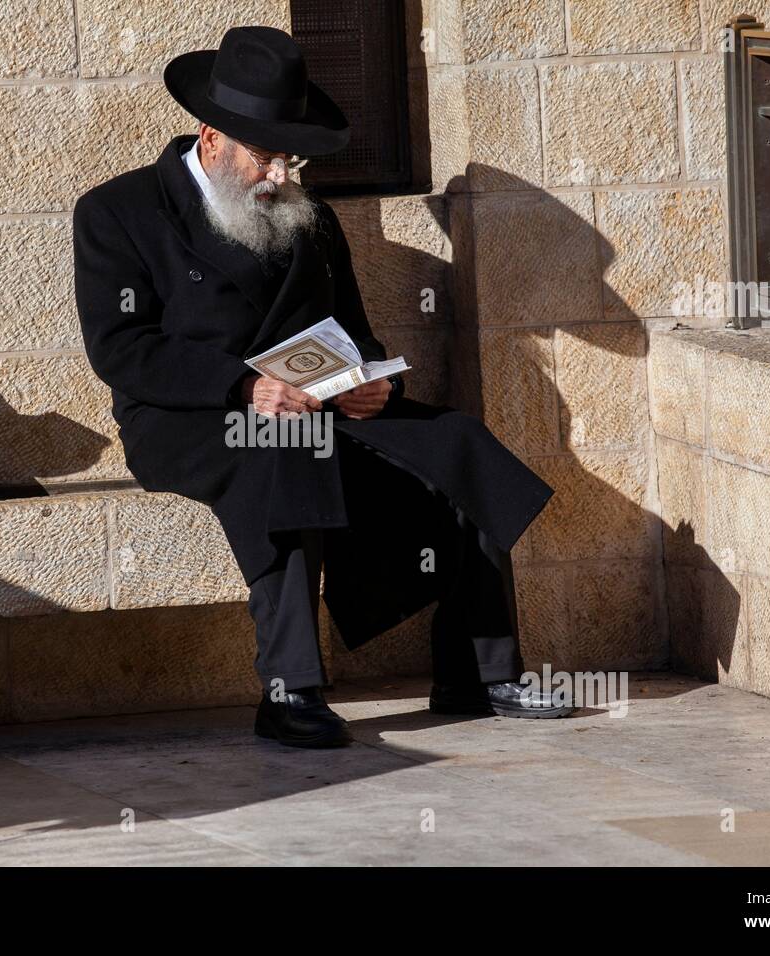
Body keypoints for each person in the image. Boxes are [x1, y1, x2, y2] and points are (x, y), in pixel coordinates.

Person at [72, 25, 571, 748]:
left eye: (287, 158)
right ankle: (290, 692)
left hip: (315, 406)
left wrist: (370, 384)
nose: (277, 176)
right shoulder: (118, 212)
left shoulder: (311, 219)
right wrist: (244, 388)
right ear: (211, 139)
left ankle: (478, 672)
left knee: (456, 440)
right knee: (286, 451)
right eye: (264, 157)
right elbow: (121, 349)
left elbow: (353, 334)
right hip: (189, 416)